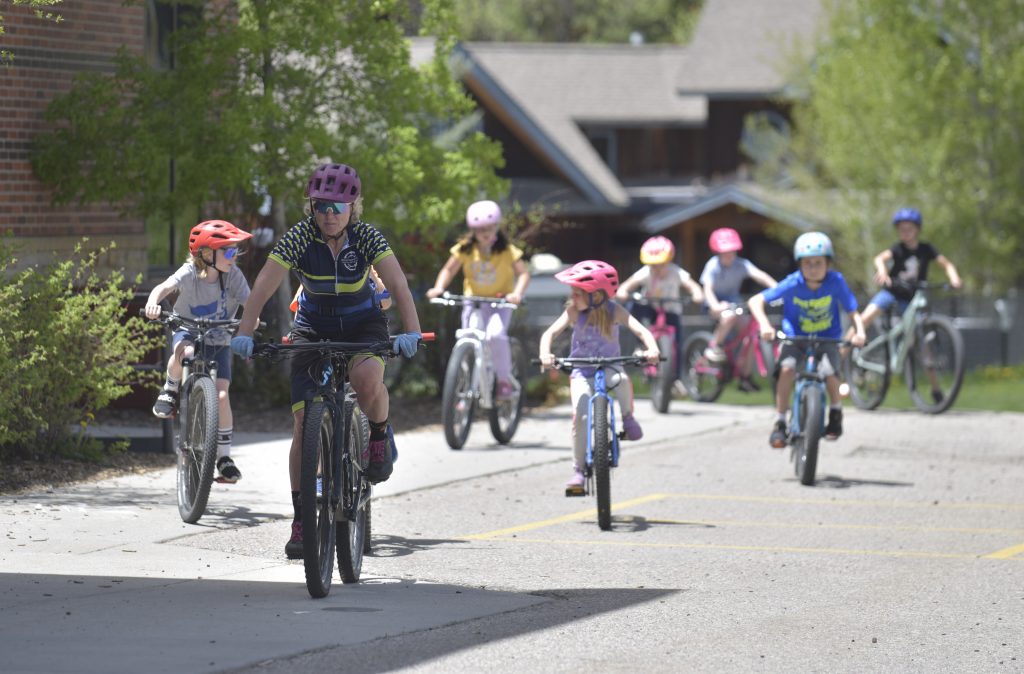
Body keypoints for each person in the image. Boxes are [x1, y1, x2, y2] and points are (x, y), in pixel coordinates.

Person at [230, 162, 424, 559]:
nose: (329, 215)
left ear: (354, 206)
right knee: (303, 424)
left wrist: (412, 332)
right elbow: (264, 284)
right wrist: (245, 333)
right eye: (321, 206)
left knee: (367, 380)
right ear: (311, 208)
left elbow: (398, 283)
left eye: (338, 207)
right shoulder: (300, 236)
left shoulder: (366, 236)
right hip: (312, 326)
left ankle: (378, 436)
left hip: (362, 324)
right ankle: (302, 518)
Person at [145, 219, 252, 483]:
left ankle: (224, 458)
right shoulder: (189, 272)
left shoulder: (234, 276)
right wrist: (153, 302)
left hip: (219, 339)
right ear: (206, 254)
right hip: (188, 330)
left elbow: (251, 304)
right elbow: (163, 288)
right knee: (187, 351)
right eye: (229, 251)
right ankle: (170, 388)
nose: (234, 256)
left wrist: (252, 321)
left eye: (235, 251)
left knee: (222, 395)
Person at [539, 260, 661, 492]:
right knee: (581, 416)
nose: (572, 297)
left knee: (622, 380)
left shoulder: (615, 311)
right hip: (582, 371)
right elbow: (550, 333)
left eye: (578, 293)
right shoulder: (573, 311)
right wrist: (546, 354)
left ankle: (628, 418)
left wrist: (652, 349)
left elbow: (641, 331)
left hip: (610, 367)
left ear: (597, 296)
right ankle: (578, 470)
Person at [749, 232, 865, 448]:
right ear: (800, 265)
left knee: (830, 373)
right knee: (786, 369)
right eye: (807, 263)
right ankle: (780, 421)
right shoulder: (793, 283)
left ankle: (836, 412)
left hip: (828, 338)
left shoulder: (836, 282)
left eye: (818, 263)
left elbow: (852, 311)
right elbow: (755, 301)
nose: (813, 268)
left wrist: (860, 332)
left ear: (828, 263)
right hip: (795, 338)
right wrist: (765, 325)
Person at [425, 200, 531, 400]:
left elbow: (524, 274)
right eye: (480, 229)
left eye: (489, 228)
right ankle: (465, 383)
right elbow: (449, 269)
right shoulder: (465, 249)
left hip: (500, 303)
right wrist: (439, 287)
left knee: (495, 335)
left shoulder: (507, 250)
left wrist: (516, 293)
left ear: (497, 227)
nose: (485, 233)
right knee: (468, 338)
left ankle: (503, 380)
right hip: (473, 303)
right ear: (472, 230)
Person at [853, 207, 962, 335]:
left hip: (912, 298)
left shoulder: (926, 249)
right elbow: (879, 258)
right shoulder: (897, 248)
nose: (905, 232)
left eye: (909, 229)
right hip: (892, 291)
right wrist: (882, 271)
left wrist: (954, 278)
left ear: (917, 229)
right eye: (902, 229)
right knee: (865, 318)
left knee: (916, 332)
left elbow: (947, 265)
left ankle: (918, 348)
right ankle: (845, 346)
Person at [699, 227, 778, 391]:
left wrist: (778, 290)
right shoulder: (712, 265)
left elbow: (761, 276)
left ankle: (745, 375)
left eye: (732, 251)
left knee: (751, 334)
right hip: (714, 303)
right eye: (725, 252)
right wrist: (715, 305)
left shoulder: (741, 264)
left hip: (734, 303)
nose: (729, 255)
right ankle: (714, 346)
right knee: (729, 316)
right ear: (718, 252)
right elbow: (707, 289)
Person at [615, 236, 702, 381]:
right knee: (635, 309)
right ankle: (640, 345)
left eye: (661, 265)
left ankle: (676, 379)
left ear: (669, 261)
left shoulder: (676, 273)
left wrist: (697, 294)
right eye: (652, 265)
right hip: (649, 308)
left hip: (671, 310)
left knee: (677, 344)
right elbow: (626, 286)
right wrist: (623, 292)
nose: (656, 269)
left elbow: (693, 286)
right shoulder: (646, 272)